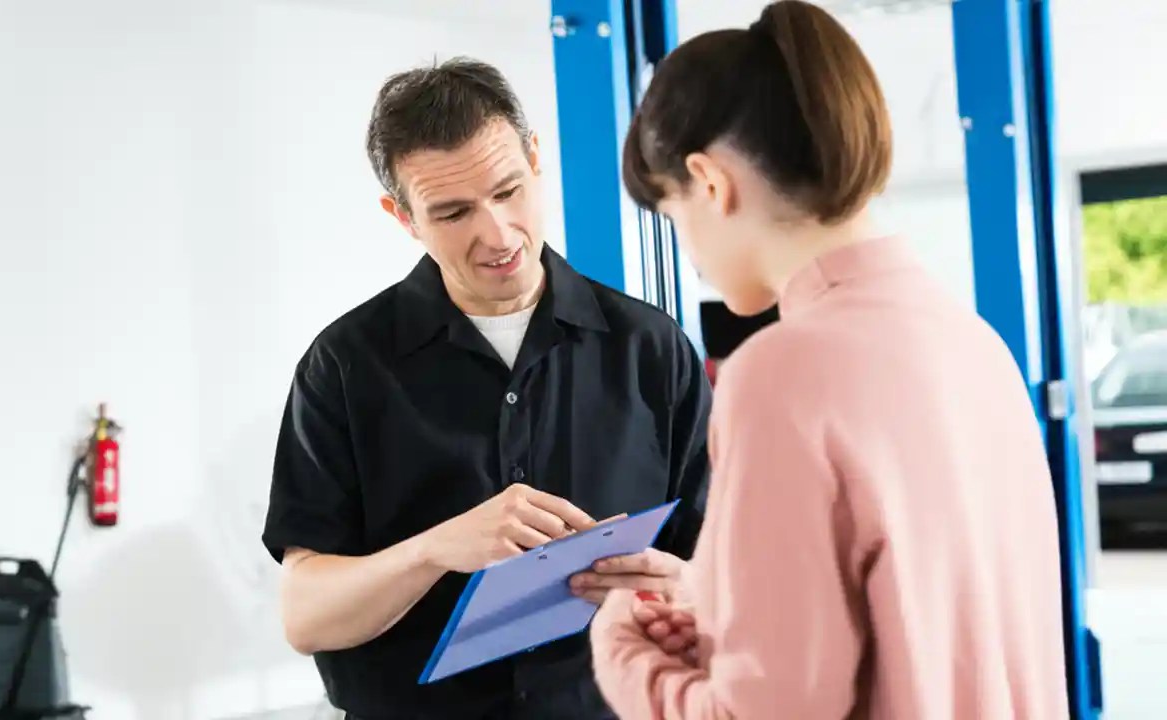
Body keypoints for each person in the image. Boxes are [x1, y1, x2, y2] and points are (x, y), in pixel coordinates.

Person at [589, 1, 1070, 718]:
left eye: (672, 212)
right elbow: (920, 628)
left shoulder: (779, 374)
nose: (687, 255)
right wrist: (724, 612)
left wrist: (625, 656)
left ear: (711, 182)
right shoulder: (973, 342)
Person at [261, 57, 712, 720]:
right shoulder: (344, 367)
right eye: (452, 213)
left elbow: (719, 570)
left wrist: (684, 583)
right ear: (402, 215)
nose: (496, 235)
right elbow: (305, 616)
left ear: (534, 159)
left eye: (507, 191)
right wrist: (433, 550)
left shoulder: (650, 348)